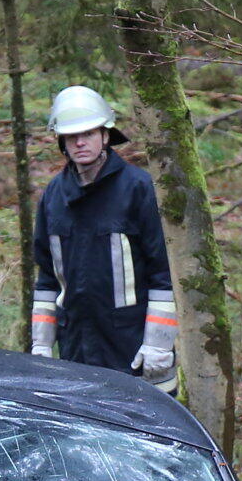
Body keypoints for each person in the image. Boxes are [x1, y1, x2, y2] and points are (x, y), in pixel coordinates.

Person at [28, 86, 178, 387]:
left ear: (106, 136)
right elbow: (47, 280)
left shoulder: (138, 188)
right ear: (62, 142)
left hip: (134, 349)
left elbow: (164, 274)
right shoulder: (53, 197)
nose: (80, 142)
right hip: (76, 348)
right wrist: (42, 344)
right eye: (72, 136)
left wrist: (158, 345)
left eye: (89, 134)